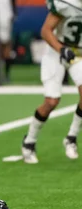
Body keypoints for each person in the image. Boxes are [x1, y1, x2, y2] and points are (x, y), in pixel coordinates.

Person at [22, 0, 82, 163]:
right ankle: (29, 141)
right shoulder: (67, 3)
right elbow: (46, 31)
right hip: (57, 52)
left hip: (78, 54)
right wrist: (61, 49)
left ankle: (71, 137)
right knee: (51, 101)